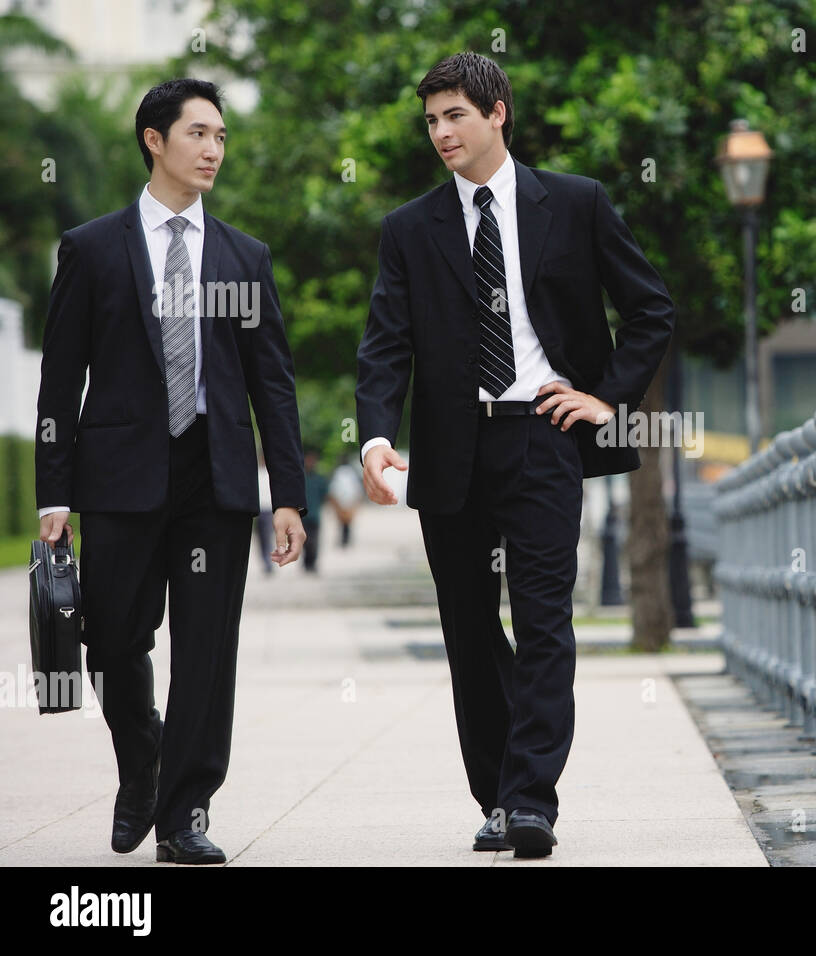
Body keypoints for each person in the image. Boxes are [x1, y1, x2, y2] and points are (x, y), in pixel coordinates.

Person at [355, 51, 674, 858]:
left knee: (543, 622)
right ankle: (495, 793)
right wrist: (377, 433)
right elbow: (386, 344)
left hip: (544, 435)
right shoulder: (408, 229)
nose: (440, 132)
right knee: (468, 629)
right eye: (430, 120)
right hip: (451, 448)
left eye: (454, 115)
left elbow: (650, 310)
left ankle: (531, 802)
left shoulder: (576, 203)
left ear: (498, 114)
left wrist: (608, 400)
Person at [34, 78, 308, 865]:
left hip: (215, 478)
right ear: (155, 140)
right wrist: (54, 491)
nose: (214, 149)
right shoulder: (92, 248)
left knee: (207, 650)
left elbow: (273, 384)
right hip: (119, 479)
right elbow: (59, 381)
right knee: (115, 640)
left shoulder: (243, 256)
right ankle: (142, 761)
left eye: (221, 136)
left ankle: (186, 811)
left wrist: (287, 495)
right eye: (198, 134)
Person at [328, 454, 364, 548]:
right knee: (345, 523)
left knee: (344, 523)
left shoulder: (339, 473)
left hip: (345, 501)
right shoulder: (350, 473)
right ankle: (345, 540)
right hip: (347, 500)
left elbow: (334, 488)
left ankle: (345, 540)